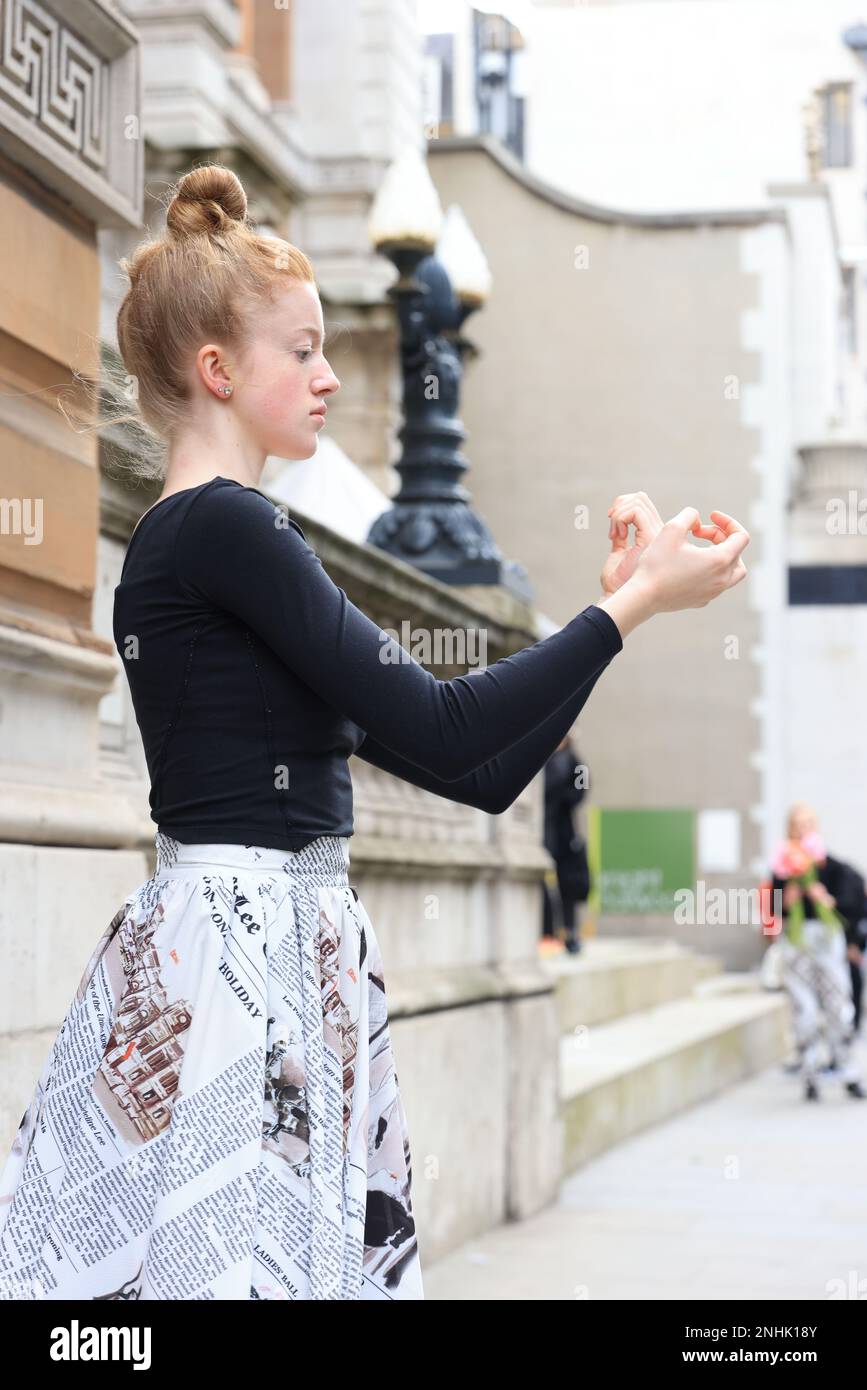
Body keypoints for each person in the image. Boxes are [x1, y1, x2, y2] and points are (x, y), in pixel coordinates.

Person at [0, 164, 751, 1302]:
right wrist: (636, 601)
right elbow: (451, 733)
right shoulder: (233, 529)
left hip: (252, 953)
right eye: (301, 350)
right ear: (217, 370)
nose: (330, 376)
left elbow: (483, 769)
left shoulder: (198, 540)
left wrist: (617, 607)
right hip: (252, 963)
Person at [770, 802, 866, 1102]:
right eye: (797, 825)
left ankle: (849, 1070)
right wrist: (788, 898)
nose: (803, 830)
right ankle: (810, 1073)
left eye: (807, 823)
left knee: (839, 1005)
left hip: (826, 941)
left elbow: (853, 903)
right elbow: (772, 910)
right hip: (797, 943)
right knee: (805, 1010)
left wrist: (826, 900)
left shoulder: (834, 868)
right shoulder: (782, 872)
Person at [542, 735, 590, 953]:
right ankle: (548, 931)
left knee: (566, 885)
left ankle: (568, 932)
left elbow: (582, 787)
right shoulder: (545, 757)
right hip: (545, 828)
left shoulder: (572, 761)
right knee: (542, 880)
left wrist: (568, 796)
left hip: (563, 831)